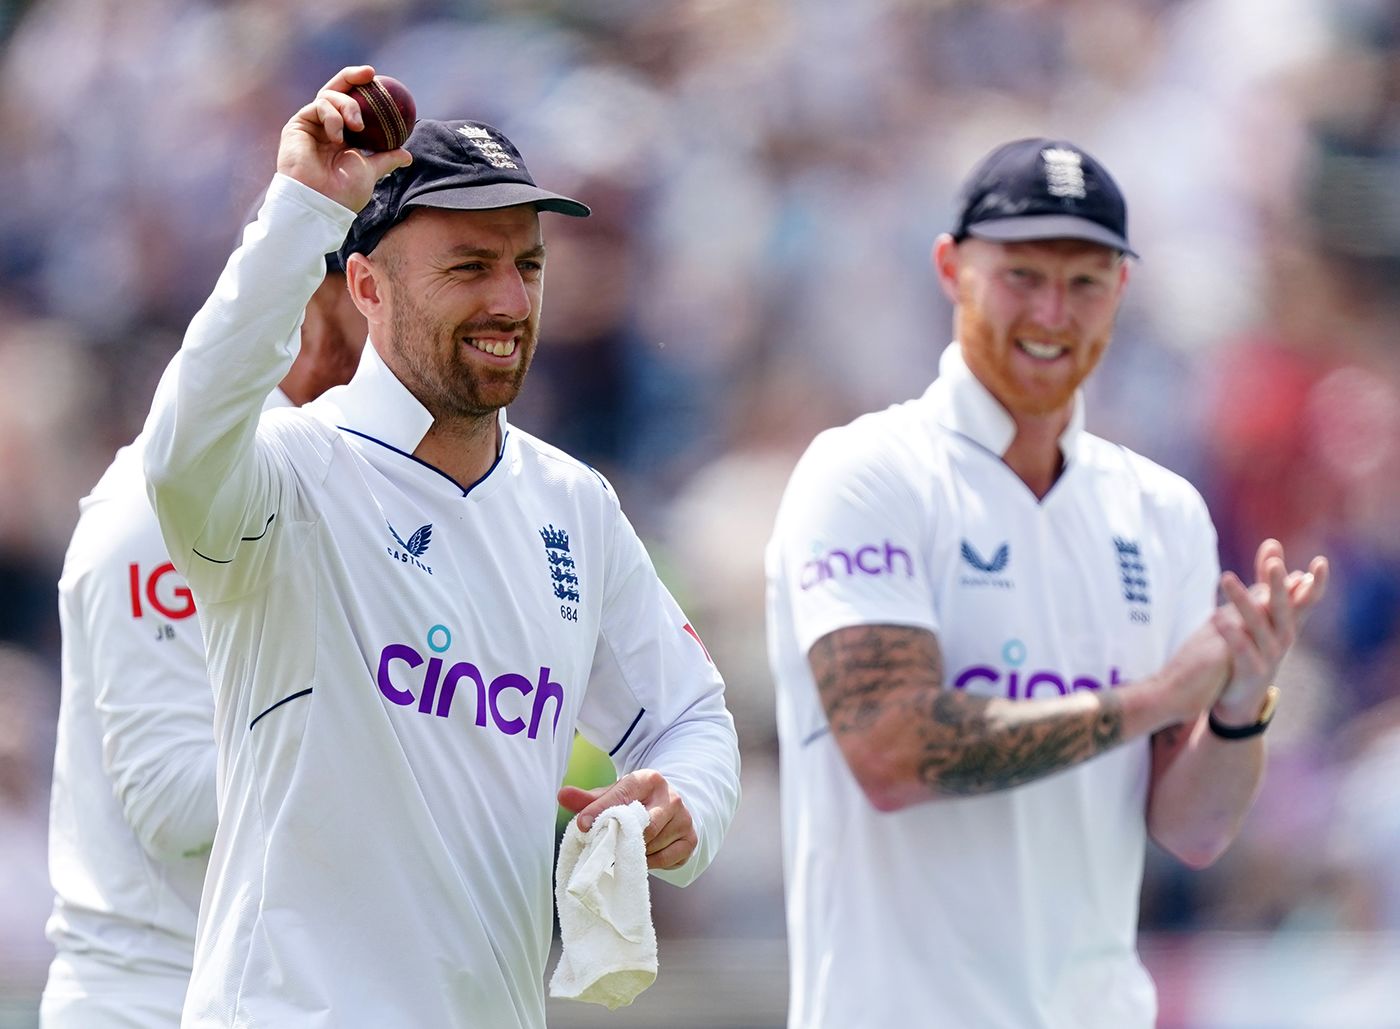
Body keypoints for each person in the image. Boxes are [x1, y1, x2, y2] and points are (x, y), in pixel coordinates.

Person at [140, 67, 740, 1029]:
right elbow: (180, 452)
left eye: (528, 265)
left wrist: (684, 810)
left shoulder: (572, 504)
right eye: (469, 267)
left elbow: (694, 719)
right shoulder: (288, 475)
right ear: (367, 286)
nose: (510, 300)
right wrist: (300, 212)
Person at [764, 137, 1328, 1028]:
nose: (1053, 313)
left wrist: (1239, 704)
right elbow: (892, 749)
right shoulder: (868, 471)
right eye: (1022, 275)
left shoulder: (1162, 509)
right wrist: (1150, 699)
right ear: (952, 267)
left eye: (1085, 282)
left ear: (1122, 291)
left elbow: (1193, 830)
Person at [41, 250, 369, 1028]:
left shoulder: (355, 478)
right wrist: (390, 743)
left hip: (276, 994)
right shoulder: (167, 505)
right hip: (151, 998)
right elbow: (171, 803)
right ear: (324, 295)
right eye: (386, 288)